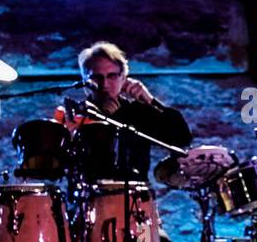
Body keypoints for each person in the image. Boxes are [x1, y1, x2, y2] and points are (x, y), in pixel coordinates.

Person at [55, 41, 192, 180]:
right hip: (89, 196)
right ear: (85, 80)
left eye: (112, 76)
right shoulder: (76, 116)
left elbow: (182, 138)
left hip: (135, 196)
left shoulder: (137, 111)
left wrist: (151, 101)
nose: (104, 84)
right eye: (97, 77)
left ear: (123, 78)